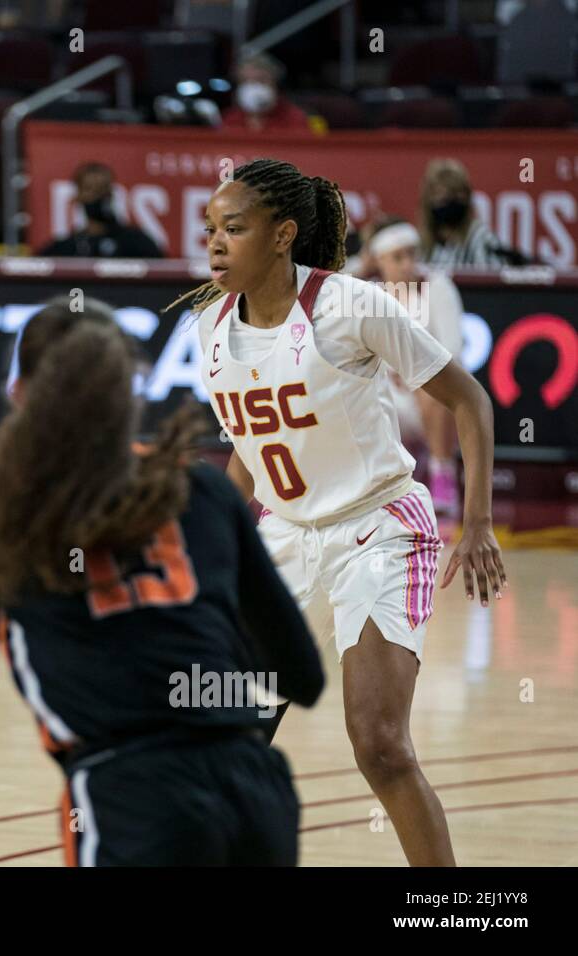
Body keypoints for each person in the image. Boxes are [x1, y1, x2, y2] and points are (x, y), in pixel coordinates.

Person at [183, 157, 508, 866]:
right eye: (209, 228)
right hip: (285, 538)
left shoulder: (348, 306)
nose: (213, 243)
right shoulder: (207, 329)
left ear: (282, 235)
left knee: (380, 746)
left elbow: (469, 398)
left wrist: (477, 522)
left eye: (232, 228)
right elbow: (249, 450)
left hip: (379, 528)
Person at [0, 298, 326, 866]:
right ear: (129, 393)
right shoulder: (206, 492)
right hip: (255, 792)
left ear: (19, 394)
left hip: (130, 801)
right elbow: (305, 679)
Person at [366, 216, 465, 516]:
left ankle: (442, 475)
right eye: (398, 257)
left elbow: (452, 352)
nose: (407, 263)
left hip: (429, 398)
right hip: (386, 393)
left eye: (412, 254)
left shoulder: (438, 287)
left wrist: (411, 372)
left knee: (433, 383)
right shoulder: (366, 292)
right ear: (380, 260)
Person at [40, 162, 164, 259]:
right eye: (89, 189)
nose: (97, 195)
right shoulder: (63, 249)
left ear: (110, 194)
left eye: (101, 189)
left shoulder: (136, 242)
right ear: (77, 196)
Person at [419, 159, 519, 268]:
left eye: (457, 195)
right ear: (429, 199)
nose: (451, 201)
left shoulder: (480, 239)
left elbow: (495, 280)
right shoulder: (422, 244)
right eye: (443, 196)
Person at [220, 53, 312, 132]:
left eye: (261, 80)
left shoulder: (296, 118)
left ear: (275, 83)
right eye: (245, 81)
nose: (253, 87)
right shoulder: (230, 120)